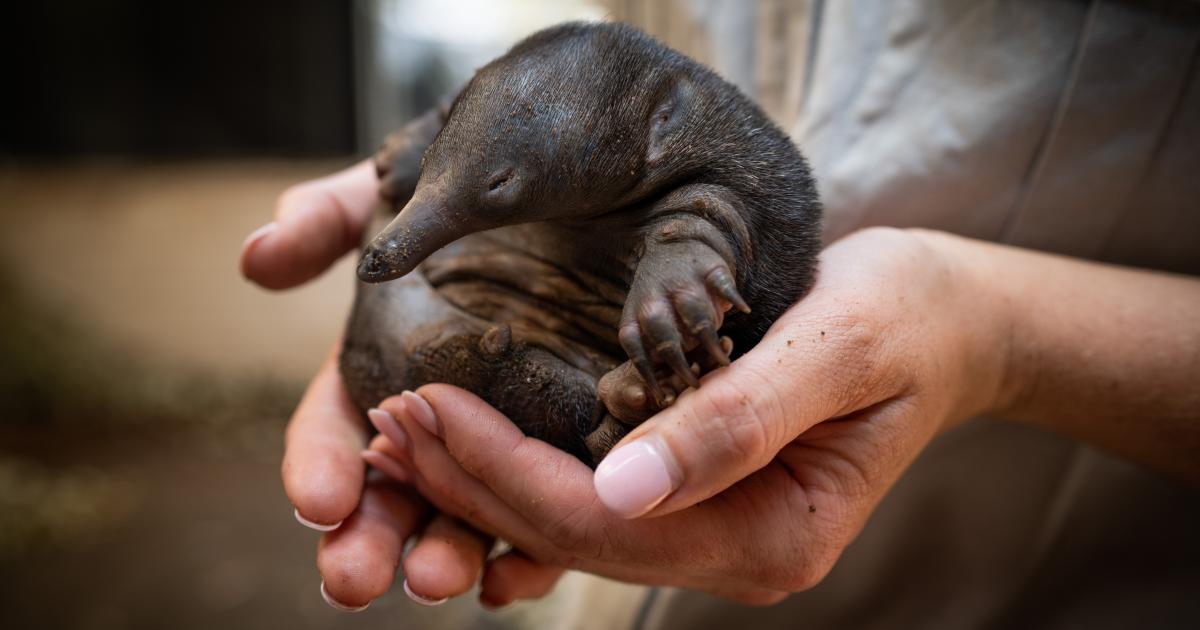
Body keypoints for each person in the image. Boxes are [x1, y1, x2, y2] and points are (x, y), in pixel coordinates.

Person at [240, 0, 1200, 627]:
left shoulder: (710, 179)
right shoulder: (603, 99)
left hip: (1000, 582)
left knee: (644, 340)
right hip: (555, 465)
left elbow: (700, 231)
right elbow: (540, 90)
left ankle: (579, 394)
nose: (405, 231)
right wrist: (419, 170)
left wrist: (999, 340)